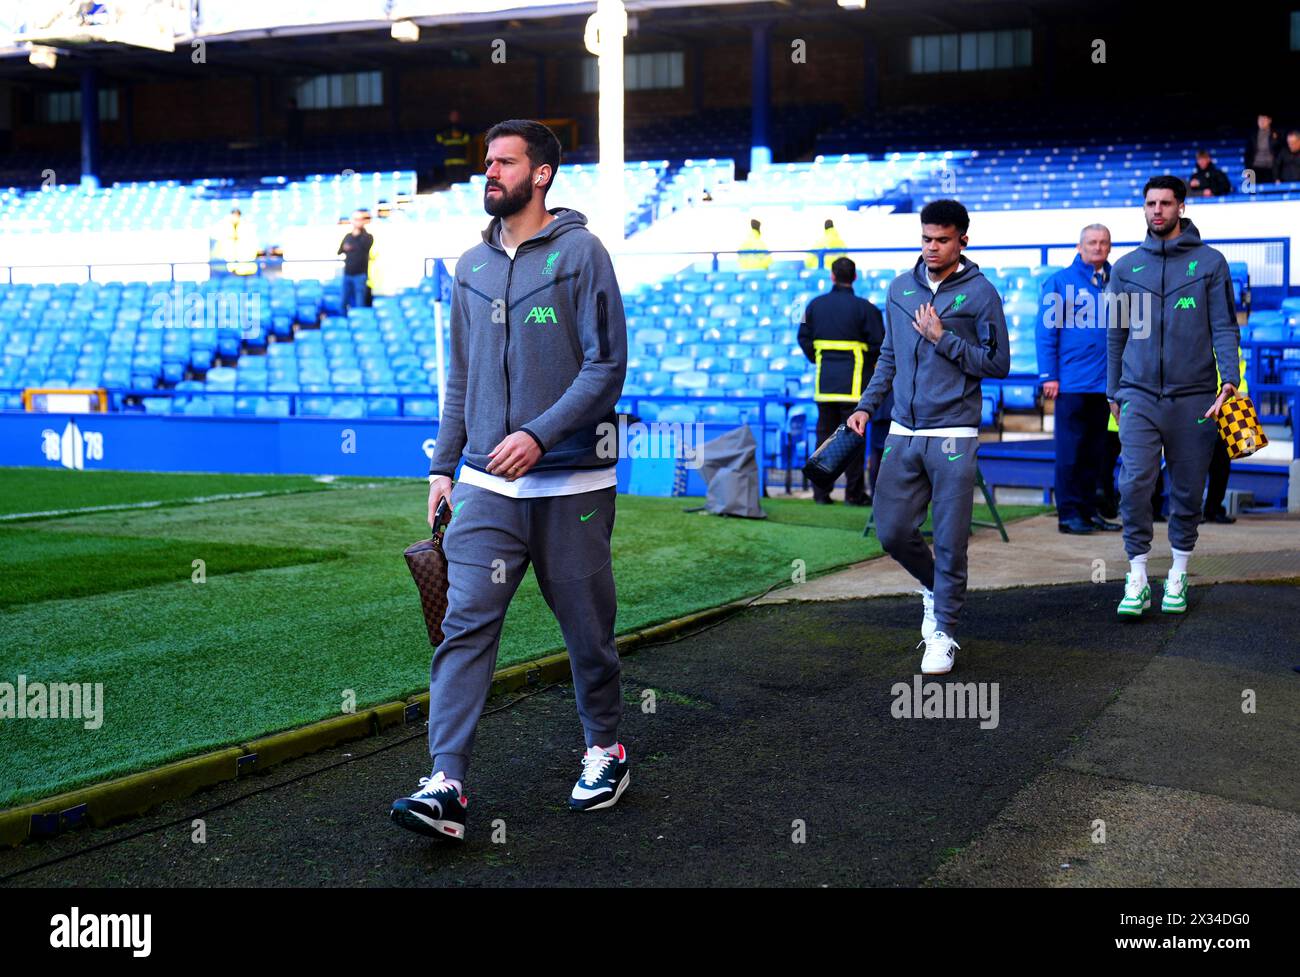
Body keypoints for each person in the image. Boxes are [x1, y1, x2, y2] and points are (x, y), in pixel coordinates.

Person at [390, 120, 629, 841]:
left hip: (573, 484)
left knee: (587, 631)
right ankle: (448, 783)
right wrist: (442, 464)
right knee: (463, 627)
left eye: (504, 163)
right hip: (487, 486)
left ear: (543, 173)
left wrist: (538, 432)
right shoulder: (470, 264)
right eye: (486, 163)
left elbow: (606, 367)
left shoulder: (584, 254)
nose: (489, 174)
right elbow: (460, 376)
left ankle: (607, 748)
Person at [847, 199, 1010, 675]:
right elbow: (889, 358)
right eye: (926, 238)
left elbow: (997, 364)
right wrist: (864, 406)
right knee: (892, 531)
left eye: (942, 239)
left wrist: (945, 339)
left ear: (963, 239)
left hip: (954, 432)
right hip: (902, 430)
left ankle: (944, 630)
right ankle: (934, 588)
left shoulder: (982, 294)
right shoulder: (899, 289)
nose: (932, 247)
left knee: (952, 536)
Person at [1106, 175, 1239, 618]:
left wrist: (1229, 381)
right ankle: (1138, 575)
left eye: (1165, 203)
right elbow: (1116, 334)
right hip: (1139, 395)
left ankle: (1179, 571)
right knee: (1134, 483)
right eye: (1150, 203)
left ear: (1181, 207)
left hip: (1196, 397)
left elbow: (1224, 326)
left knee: (1186, 491)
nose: (1157, 210)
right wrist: (1114, 390)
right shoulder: (1125, 268)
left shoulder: (1210, 263)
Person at [1037, 224, 1122, 534]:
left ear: (1110, 247)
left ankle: (1088, 512)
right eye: (1092, 242)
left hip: (1105, 384)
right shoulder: (1059, 282)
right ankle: (1069, 514)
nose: (1098, 247)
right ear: (1079, 246)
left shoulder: (1117, 282)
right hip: (1071, 383)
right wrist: (1050, 375)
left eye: (1103, 242)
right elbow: (1046, 332)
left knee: (1095, 453)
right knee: (1071, 453)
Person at [797, 256, 884, 505]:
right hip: (854, 387)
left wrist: (817, 358)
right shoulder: (867, 308)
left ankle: (820, 494)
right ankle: (853, 494)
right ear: (854, 277)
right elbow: (881, 344)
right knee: (852, 440)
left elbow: (802, 335)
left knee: (823, 438)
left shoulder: (812, 306)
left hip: (824, 387)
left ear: (832, 276)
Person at [1203, 348, 1249, 524]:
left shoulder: (1231, 343)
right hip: (1204, 407)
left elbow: (1240, 375)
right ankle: (1194, 511)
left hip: (1228, 410)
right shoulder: (1200, 337)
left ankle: (1212, 510)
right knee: (1198, 464)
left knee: (1221, 464)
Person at [337, 209, 373, 311]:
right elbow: (340, 251)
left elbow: (363, 247)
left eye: (360, 219)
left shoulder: (368, 236)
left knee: (359, 302)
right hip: (347, 274)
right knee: (343, 301)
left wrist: (350, 247)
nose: (358, 221)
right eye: (356, 219)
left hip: (360, 275)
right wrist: (347, 247)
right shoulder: (348, 236)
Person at [436, 109, 471, 185]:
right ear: (449, 117)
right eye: (452, 115)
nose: (454, 117)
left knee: (460, 180)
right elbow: (439, 139)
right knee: (450, 180)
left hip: (461, 159)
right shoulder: (445, 128)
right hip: (449, 159)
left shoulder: (463, 128)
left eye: (456, 115)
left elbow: (467, 139)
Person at [1245, 113, 1281, 185]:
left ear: (1269, 120)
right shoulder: (1253, 135)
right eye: (1260, 119)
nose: (1261, 121)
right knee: (1252, 190)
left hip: (1271, 168)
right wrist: (1248, 170)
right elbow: (1248, 154)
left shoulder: (1277, 134)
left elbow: (1279, 153)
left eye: (1264, 119)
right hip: (1256, 168)